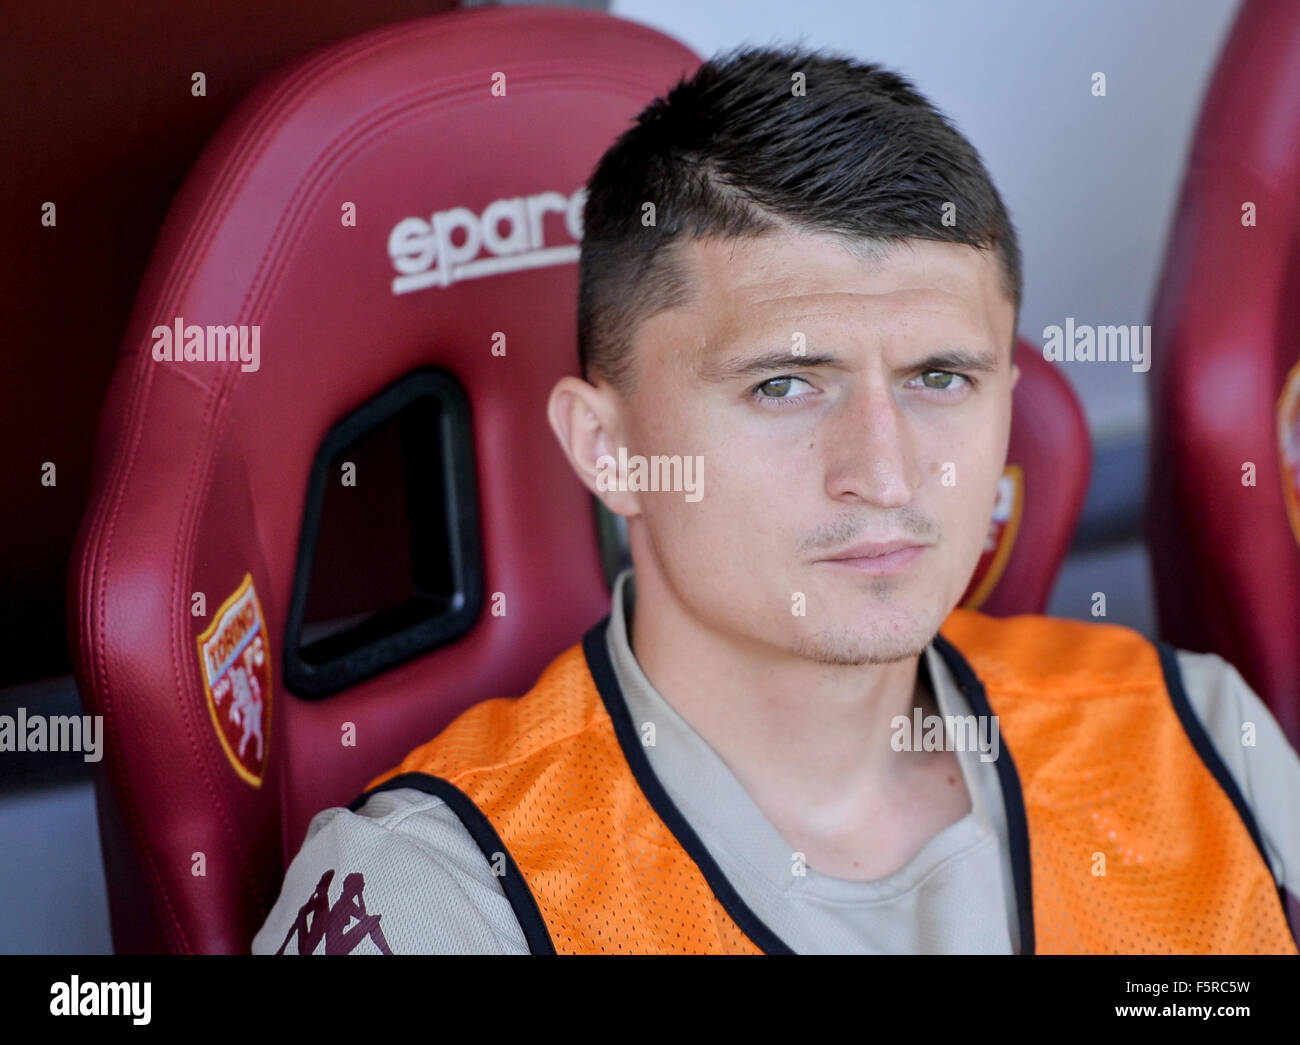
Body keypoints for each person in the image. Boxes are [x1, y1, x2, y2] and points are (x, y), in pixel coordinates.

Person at [254, 44, 1300, 955]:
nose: (884, 474)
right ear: (606, 447)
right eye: (785, 385)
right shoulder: (443, 896)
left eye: (941, 378)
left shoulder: (1194, 734)